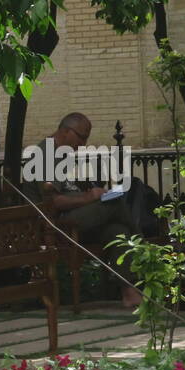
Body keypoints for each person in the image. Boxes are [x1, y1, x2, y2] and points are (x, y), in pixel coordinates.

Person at [20, 112, 143, 307]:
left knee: (118, 231)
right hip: (56, 224)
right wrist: (90, 197)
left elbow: (67, 190)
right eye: (81, 137)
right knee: (114, 201)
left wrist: (85, 190)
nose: (83, 144)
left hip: (75, 218)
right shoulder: (43, 154)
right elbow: (55, 202)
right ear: (65, 131)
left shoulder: (62, 153)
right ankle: (145, 249)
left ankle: (130, 291)